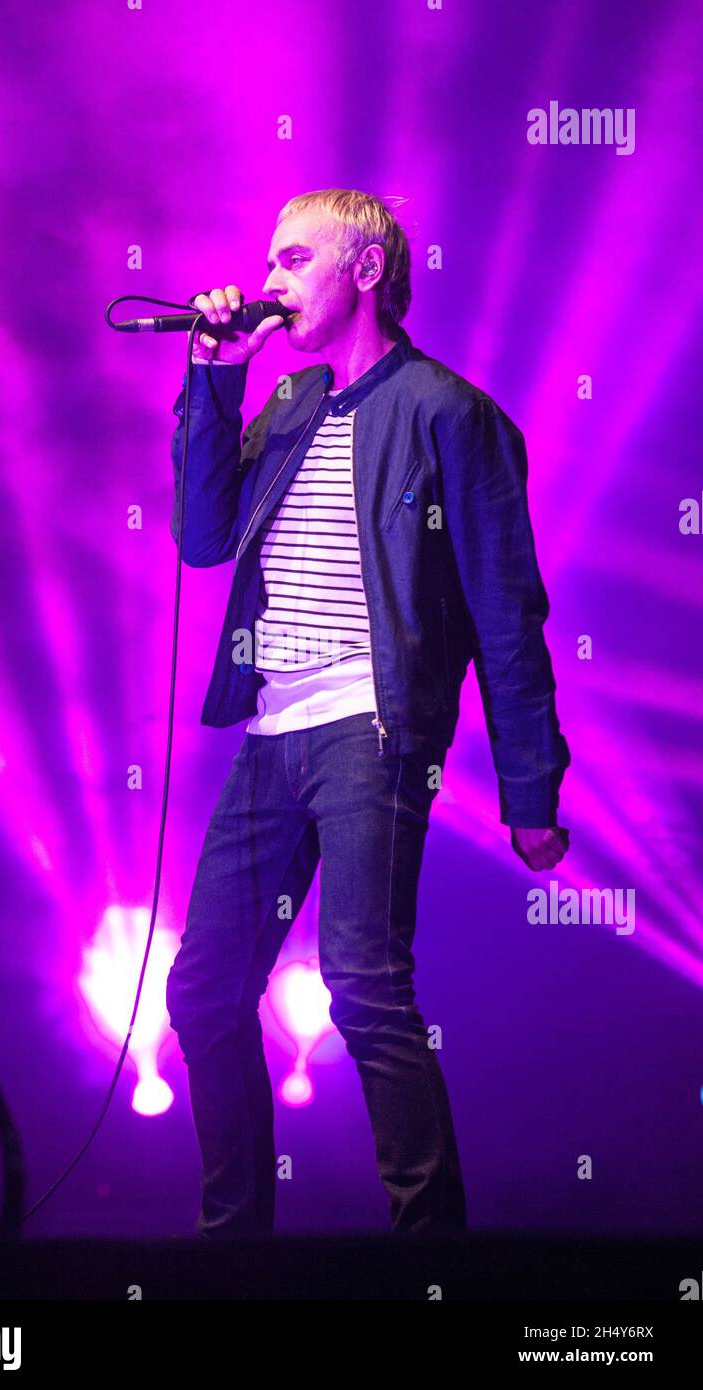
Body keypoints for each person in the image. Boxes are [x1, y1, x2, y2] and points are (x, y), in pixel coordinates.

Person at [165, 188, 570, 1239]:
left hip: (370, 728)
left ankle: (430, 1250)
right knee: (203, 991)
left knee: (363, 984)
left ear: (366, 271)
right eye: (270, 260)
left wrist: (529, 787)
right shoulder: (289, 402)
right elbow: (202, 539)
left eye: (294, 260)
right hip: (271, 731)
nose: (269, 280)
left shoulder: (449, 414)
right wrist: (213, 379)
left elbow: (506, 613)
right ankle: (232, 1248)